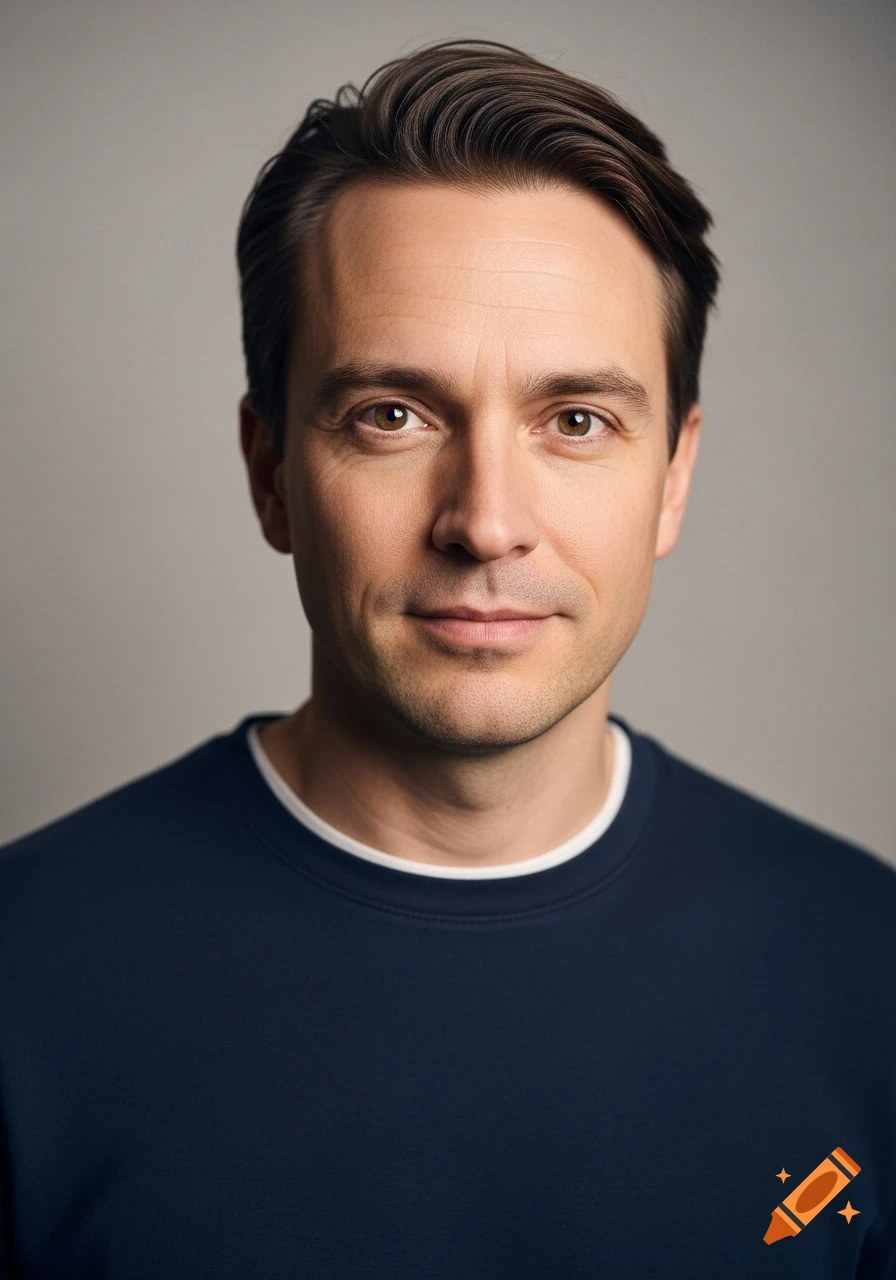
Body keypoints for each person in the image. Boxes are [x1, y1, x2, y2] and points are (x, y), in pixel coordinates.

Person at [0, 36, 893, 1279]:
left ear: (672, 475)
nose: (483, 517)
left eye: (573, 419)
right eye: (392, 415)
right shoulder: (21, 975)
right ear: (269, 471)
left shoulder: (866, 967)